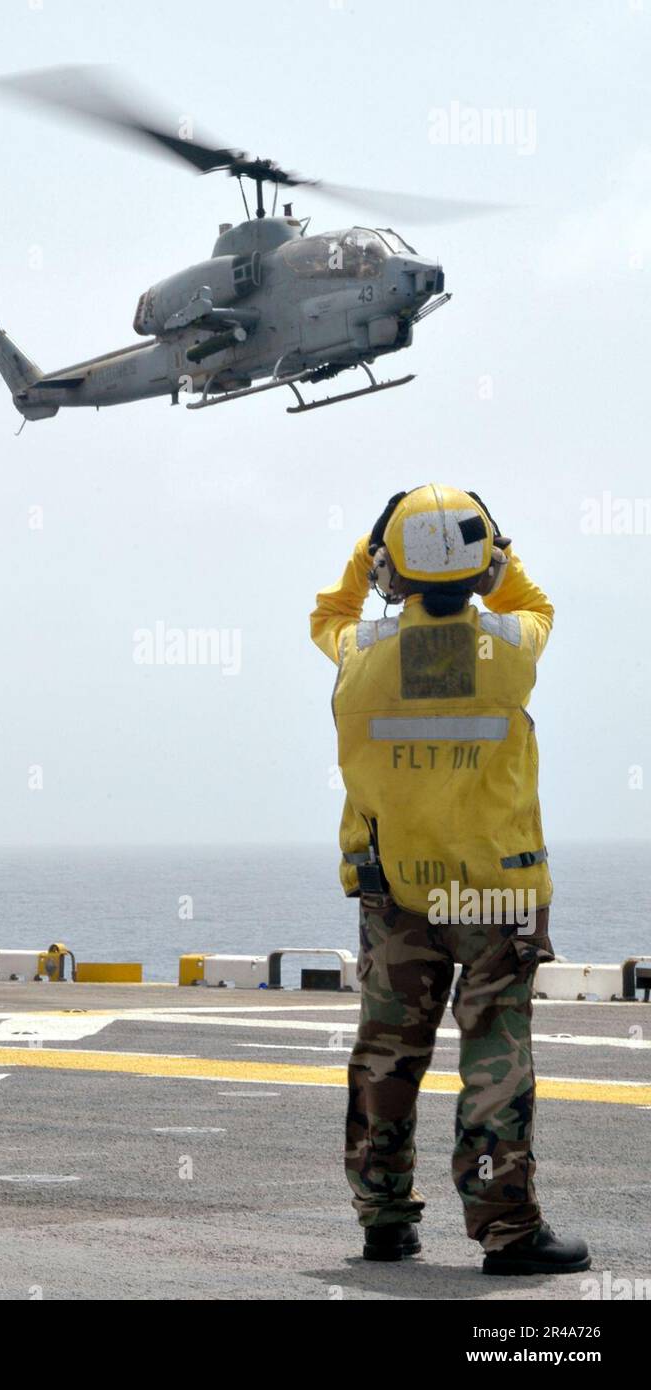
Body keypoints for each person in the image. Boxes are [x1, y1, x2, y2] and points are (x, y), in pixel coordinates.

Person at [310, 484, 590, 1276]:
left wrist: (368, 562)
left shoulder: (357, 653)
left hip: (396, 892)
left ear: (389, 569)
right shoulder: (511, 647)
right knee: (496, 1056)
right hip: (497, 895)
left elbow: (328, 612)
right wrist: (496, 554)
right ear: (483, 566)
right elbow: (532, 597)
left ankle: (384, 1222)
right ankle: (506, 1231)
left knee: (386, 1054)